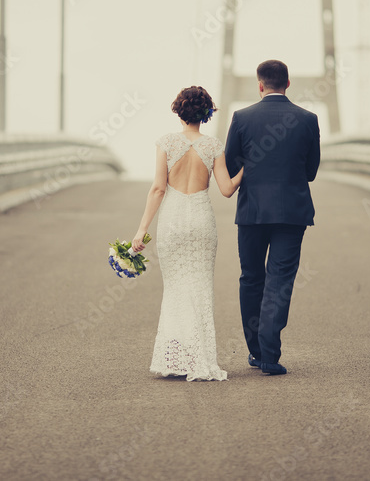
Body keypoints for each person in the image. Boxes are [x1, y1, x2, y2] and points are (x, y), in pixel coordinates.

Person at [132, 86, 243, 381]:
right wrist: (245, 169)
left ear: (179, 111)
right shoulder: (214, 146)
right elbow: (227, 189)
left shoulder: (166, 143)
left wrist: (142, 230)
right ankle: (200, 358)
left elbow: (158, 189)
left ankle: (176, 358)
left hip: (172, 220)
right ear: (206, 114)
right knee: (200, 287)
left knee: (175, 288)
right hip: (201, 220)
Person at [224, 60, 320, 375]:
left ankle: (255, 351)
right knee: (278, 281)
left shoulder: (241, 118)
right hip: (291, 214)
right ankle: (269, 354)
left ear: (260, 85)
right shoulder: (308, 120)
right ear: (288, 84)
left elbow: (230, 164)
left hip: (251, 212)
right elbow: (311, 172)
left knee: (251, 278)